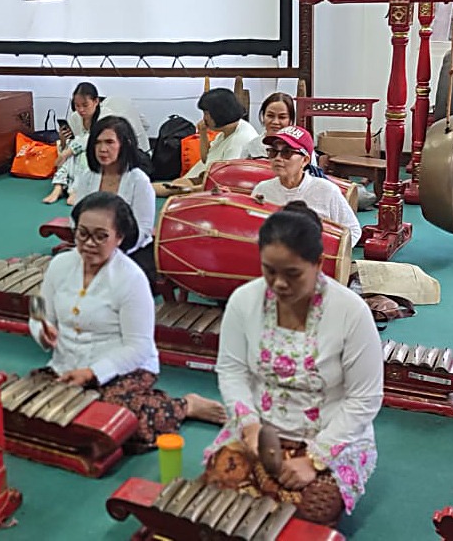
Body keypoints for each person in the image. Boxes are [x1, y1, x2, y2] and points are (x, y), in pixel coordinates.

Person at [202, 201, 382, 524]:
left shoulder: (351, 312)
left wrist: (314, 460)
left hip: (327, 436)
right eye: (269, 270)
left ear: (319, 263)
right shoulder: (244, 301)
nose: (279, 284)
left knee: (309, 511)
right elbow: (232, 370)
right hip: (260, 430)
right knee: (217, 489)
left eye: (293, 273)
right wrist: (250, 426)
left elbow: (365, 398)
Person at [30, 192, 225, 451]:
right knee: (36, 405)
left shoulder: (131, 278)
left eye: (101, 236)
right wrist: (41, 331)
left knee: (117, 421)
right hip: (67, 363)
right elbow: (38, 312)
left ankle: (186, 405)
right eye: (82, 234)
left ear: (119, 238)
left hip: (126, 366)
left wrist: (92, 373)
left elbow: (139, 348)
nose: (89, 243)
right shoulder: (60, 264)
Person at [68, 116, 157, 280]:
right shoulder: (88, 177)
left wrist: (110, 251)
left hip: (131, 250)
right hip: (92, 246)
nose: (102, 149)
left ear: (124, 145)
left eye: (109, 142)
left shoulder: (139, 180)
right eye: (97, 142)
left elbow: (143, 231)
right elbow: (76, 218)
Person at [251, 126, 362, 244]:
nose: (278, 158)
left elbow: (353, 230)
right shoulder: (262, 189)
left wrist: (331, 256)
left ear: (305, 160)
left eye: (286, 152)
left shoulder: (326, 190)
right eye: (273, 152)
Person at [43, 82, 150, 205]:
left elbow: (91, 140)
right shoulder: (74, 118)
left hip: (114, 152)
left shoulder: (107, 116)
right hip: (86, 152)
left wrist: (67, 152)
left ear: (96, 101)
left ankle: (74, 189)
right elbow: (76, 143)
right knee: (73, 150)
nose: (81, 110)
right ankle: (59, 186)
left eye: (85, 105)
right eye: (77, 106)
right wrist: (63, 140)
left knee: (82, 153)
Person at [154, 88, 258, 197]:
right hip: (208, 177)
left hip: (219, 186)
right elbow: (205, 159)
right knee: (176, 184)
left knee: (174, 188)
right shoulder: (226, 131)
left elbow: (225, 181)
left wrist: (191, 189)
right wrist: (203, 133)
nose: (204, 118)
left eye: (206, 113)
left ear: (218, 113)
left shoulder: (241, 138)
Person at [240, 92, 296, 159]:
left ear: (291, 120)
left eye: (282, 117)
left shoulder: (299, 148)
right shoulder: (250, 148)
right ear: (263, 116)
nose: (275, 122)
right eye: (270, 116)